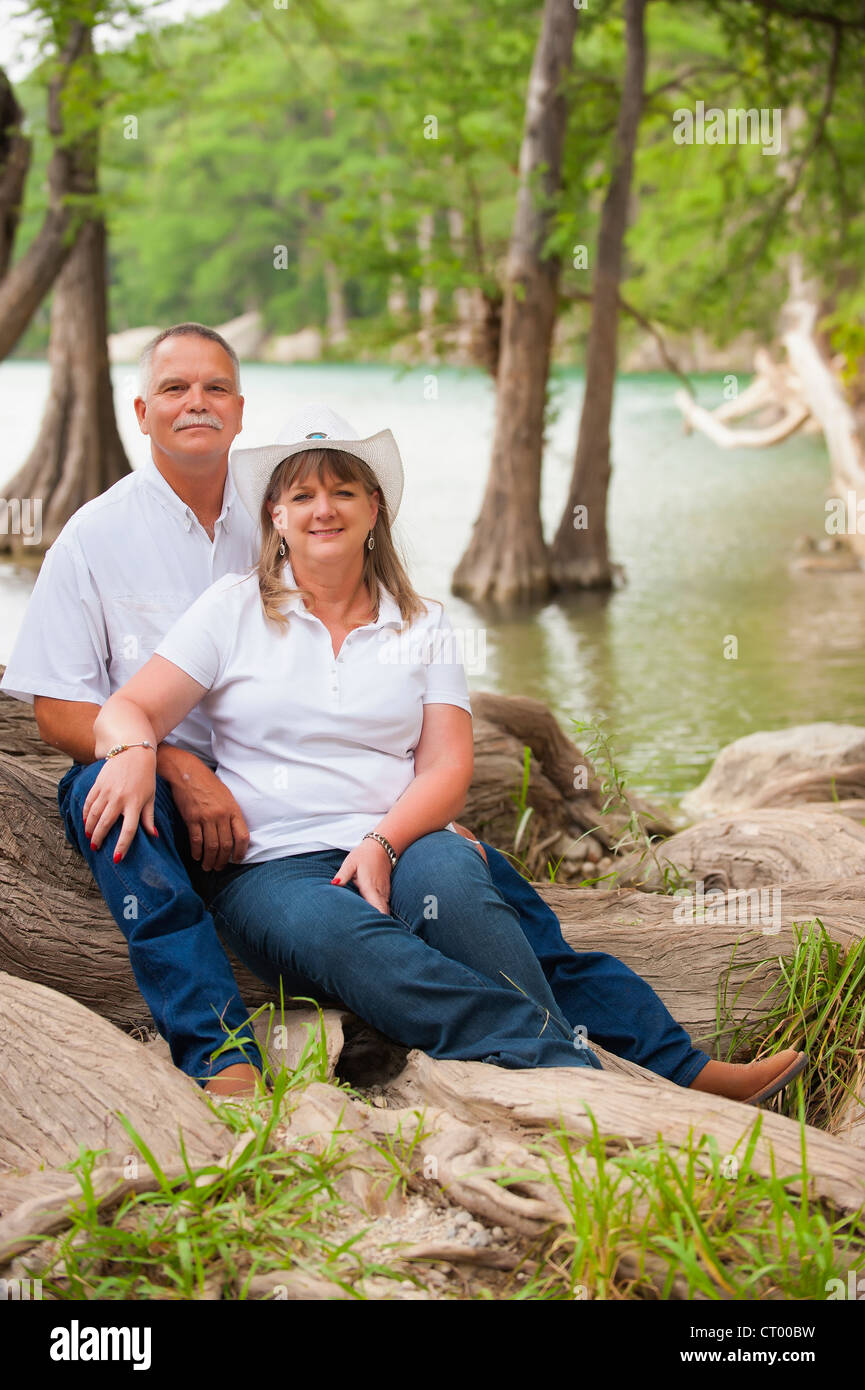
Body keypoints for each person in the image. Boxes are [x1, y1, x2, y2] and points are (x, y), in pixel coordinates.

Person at [0, 322, 804, 1101]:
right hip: (193, 798)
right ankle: (221, 1047)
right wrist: (156, 755)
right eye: (174, 387)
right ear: (141, 412)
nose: (197, 401)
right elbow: (70, 708)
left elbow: (436, 749)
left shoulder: (296, 526)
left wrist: (402, 825)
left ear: (243, 412)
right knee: (116, 806)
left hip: (354, 813)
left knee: (477, 890)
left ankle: (668, 1063)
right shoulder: (110, 541)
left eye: (216, 387)